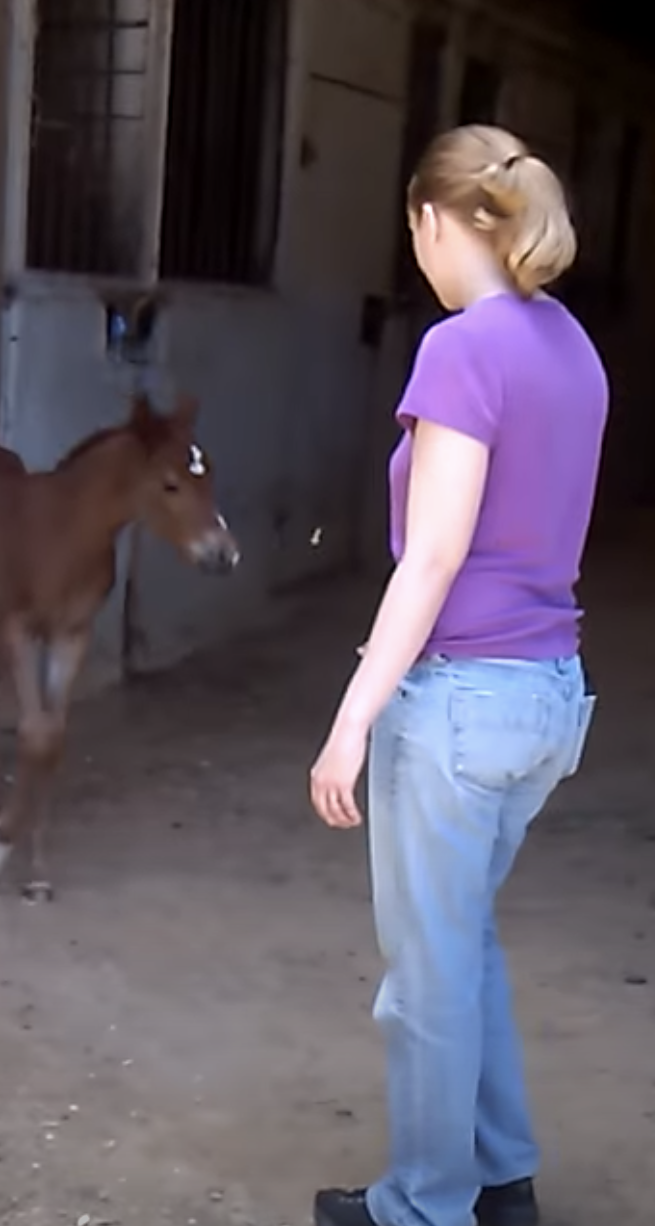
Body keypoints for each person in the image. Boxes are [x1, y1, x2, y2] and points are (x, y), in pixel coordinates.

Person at [307, 124, 606, 1226]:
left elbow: (431, 554)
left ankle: (422, 1208)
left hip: (460, 705)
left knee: (423, 982)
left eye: (411, 230)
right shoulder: (571, 345)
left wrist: (351, 718)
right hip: (545, 696)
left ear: (436, 222)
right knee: (463, 938)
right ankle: (500, 1172)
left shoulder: (462, 348)